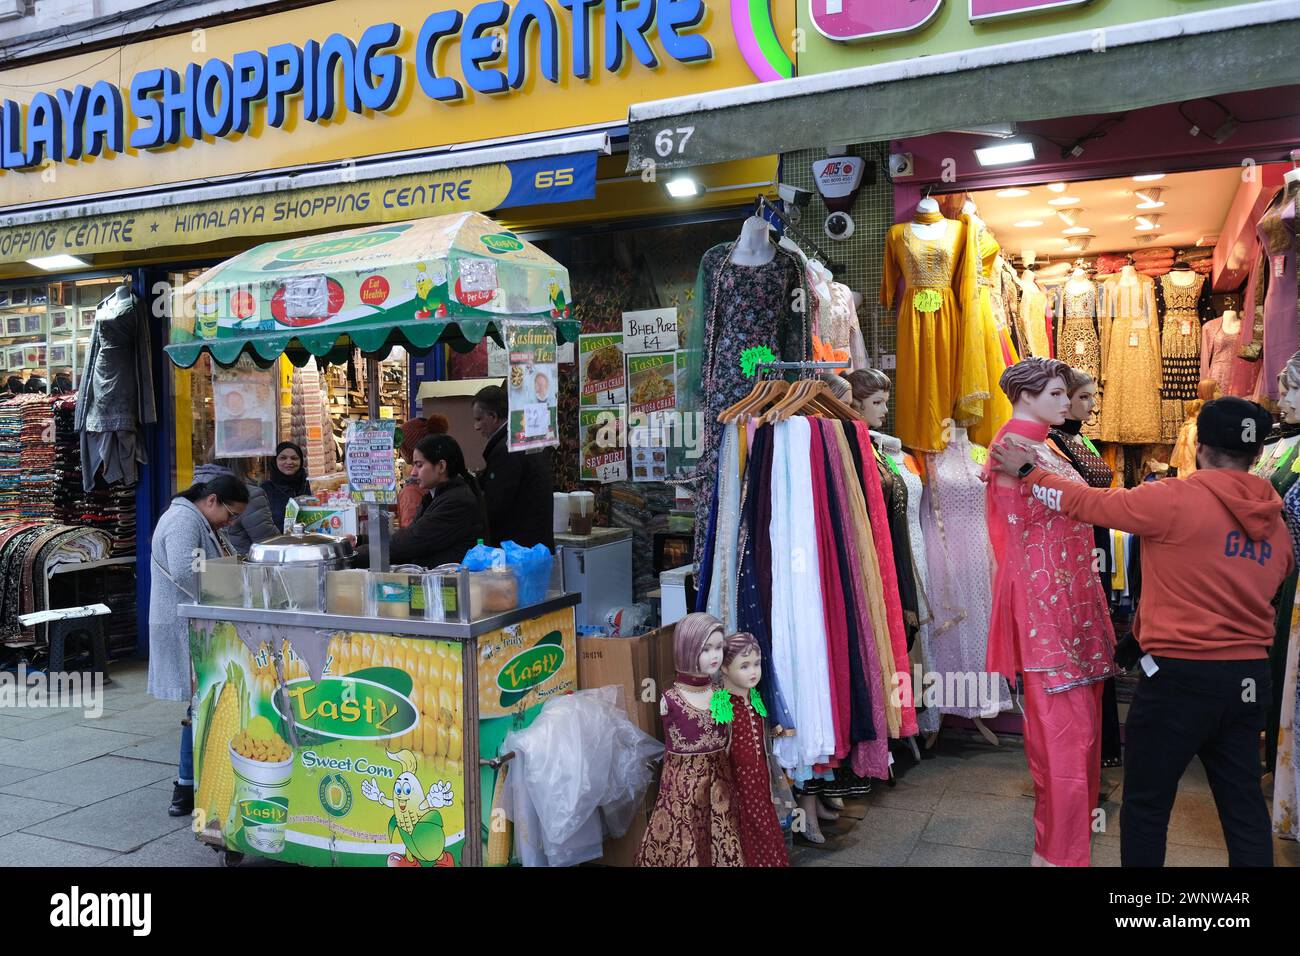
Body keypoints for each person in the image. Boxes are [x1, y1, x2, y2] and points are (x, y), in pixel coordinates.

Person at [990, 396, 1294, 867]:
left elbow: (1088, 504)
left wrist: (1030, 471)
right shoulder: (1275, 523)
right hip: (1248, 680)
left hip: (1178, 678)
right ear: (1257, 456)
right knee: (1242, 807)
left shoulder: (1172, 497)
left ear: (1200, 446)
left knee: (1149, 804)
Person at [146, 474, 248, 817]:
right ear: (212, 500)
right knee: (201, 704)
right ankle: (186, 787)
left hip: (199, 623)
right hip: (183, 623)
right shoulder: (181, 521)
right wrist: (230, 585)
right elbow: (185, 572)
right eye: (230, 514)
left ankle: (187, 785)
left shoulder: (200, 520)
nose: (230, 522)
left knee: (201, 703)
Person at [1046, 368, 1124, 769]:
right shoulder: (1052, 444)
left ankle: (1104, 742)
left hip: (1098, 546)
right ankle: (1081, 744)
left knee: (1099, 638)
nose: (1092, 405)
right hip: (1074, 553)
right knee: (1079, 640)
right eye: (1086, 397)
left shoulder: (1082, 441)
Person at [471, 384, 554, 549]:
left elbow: (496, 504)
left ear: (493, 416)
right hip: (536, 545)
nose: (476, 426)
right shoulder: (525, 439)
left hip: (517, 548)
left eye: (479, 419)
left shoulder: (506, 449)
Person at [388, 433, 486, 567]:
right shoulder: (435, 496)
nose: (413, 472)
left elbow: (414, 540)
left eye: (419, 465)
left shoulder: (456, 501)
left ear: (441, 466)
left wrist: (358, 553)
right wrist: (361, 541)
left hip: (452, 582)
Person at [193, 458, 278, 554]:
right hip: (240, 564)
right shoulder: (248, 495)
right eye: (231, 514)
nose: (230, 522)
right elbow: (271, 546)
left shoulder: (197, 489)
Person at [397, 413, 450, 529]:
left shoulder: (412, 491)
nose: (413, 473)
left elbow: (410, 535)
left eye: (419, 465)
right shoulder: (448, 485)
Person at [260, 441, 312, 533]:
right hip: (278, 544)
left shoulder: (308, 485)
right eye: (283, 458)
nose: (289, 462)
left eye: (294, 458)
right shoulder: (265, 490)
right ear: (275, 461)